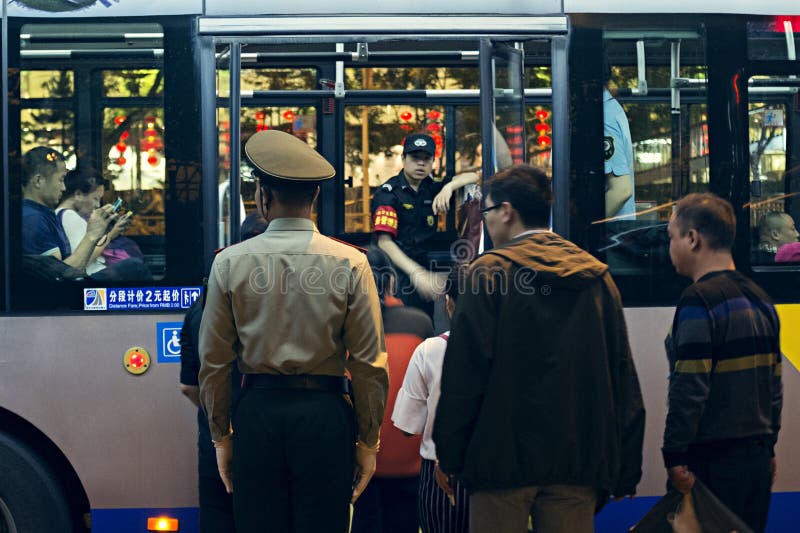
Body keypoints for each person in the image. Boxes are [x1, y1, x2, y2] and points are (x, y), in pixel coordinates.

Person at [433, 164, 645, 533]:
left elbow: (464, 376)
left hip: (499, 462)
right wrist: (627, 465)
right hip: (577, 463)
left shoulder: (487, 275)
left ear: (506, 212)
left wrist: (449, 454)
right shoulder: (596, 277)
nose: (486, 223)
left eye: (486, 212)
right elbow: (622, 375)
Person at [198, 130, 389, 533]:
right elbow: (370, 364)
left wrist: (221, 436)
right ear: (315, 198)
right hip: (326, 417)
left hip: (256, 415)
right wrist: (368, 442)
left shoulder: (228, 264)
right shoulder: (351, 263)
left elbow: (214, 363)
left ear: (262, 196)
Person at [663, 193, 782, 533]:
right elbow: (774, 387)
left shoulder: (698, 301)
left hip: (712, 462)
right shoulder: (760, 298)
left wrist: (675, 455)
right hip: (756, 459)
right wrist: (769, 444)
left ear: (692, 238)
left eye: (672, 236)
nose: (670, 246)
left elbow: (690, 387)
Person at [179, 211, 268, 533]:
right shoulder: (273, 300)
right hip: (262, 431)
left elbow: (188, 387)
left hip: (214, 434)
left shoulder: (197, 309)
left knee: (217, 514)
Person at [351, 246, 434, 533]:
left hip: (363, 464)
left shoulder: (343, 329)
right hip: (411, 465)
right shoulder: (419, 324)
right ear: (391, 282)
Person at [392, 264, 470, 533]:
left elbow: (405, 426)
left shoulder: (429, 351)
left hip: (438, 476)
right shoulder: (506, 350)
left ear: (448, 303)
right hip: (491, 472)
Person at [371, 133, 479, 316]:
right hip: (397, 273)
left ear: (433, 162)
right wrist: (416, 273)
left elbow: (475, 176)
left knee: (426, 324)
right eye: (415, 158)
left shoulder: (431, 188)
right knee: (402, 326)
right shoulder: (389, 193)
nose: (421, 164)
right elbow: (384, 242)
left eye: (426, 159)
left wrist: (449, 187)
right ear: (404, 159)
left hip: (424, 268)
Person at [21, 147, 118, 272]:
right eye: (61, 180)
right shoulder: (33, 220)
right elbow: (59, 276)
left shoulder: (43, 214)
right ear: (38, 181)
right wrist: (92, 235)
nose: (64, 187)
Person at [55, 168, 134, 276]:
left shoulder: (64, 215)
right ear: (78, 194)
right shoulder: (69, 217)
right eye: (95, 199)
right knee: (135, 265)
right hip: (93, 275)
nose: (97, 205)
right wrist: (111, 235)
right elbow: (84, 257)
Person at [603, 70, 635, 219]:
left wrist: (582, 231)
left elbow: (621, 190)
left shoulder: (602, 117)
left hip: (607, 236)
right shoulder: (610, 110)